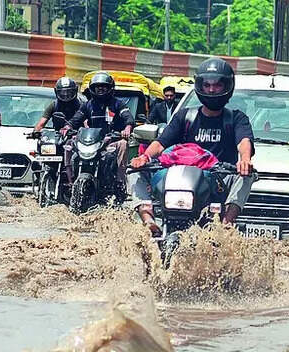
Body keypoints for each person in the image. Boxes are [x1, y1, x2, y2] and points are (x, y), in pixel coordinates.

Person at [130, 58, 255, 234]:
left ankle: (226, 225)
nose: (212, 90)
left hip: (218, 179)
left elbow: (244, 141)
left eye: (217, 85)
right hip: (178, 177)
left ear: (227, 87)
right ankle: (148, 220)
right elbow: (160, 143)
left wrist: (245, 160)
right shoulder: (184, 116)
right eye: (207, 85)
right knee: (133, 171)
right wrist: (144, 157)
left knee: (248, 176)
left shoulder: (236, 118)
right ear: (200, 86)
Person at [66, 72, 133, 190]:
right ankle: (70, 178)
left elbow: (127, 116)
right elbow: (76, 119)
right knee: (69, 144)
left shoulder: (118, 103)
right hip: (91, 141)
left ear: (110, 88)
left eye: (104, 86)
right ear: (93, 88)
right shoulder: (88, 105)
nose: (100, 89)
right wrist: (68, 127)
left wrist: (127, 128)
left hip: (111, 141)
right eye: (98, 86)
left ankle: (119, 181)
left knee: (123, 144)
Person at [34, 76, 85, 184]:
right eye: (63, 93)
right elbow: (42, 122)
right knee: (40, 154)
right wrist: (36, 132)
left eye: (69, 92)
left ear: (75, 91)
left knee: (74, 157)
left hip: (76, 137)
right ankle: (42, 178)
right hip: (58, 138)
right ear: (57, 92)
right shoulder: (54, 105)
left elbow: (86, 123)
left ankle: (72, 180)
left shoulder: (80, 105)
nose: (66, 95)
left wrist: (85, 132)